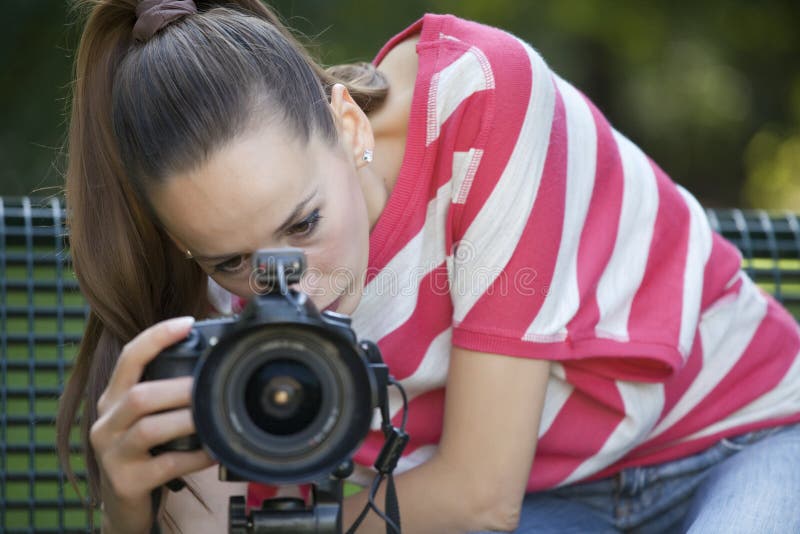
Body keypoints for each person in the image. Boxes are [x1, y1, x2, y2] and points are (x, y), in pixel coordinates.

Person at [56, 0, 800, 532]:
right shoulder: (216, 316)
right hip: (554, 500)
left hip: (738, 434)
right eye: (232, 261)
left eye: (304, 223)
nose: (291, 283)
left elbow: (480, 499)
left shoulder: (480, 98)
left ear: (348, 124)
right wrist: (134, 511)